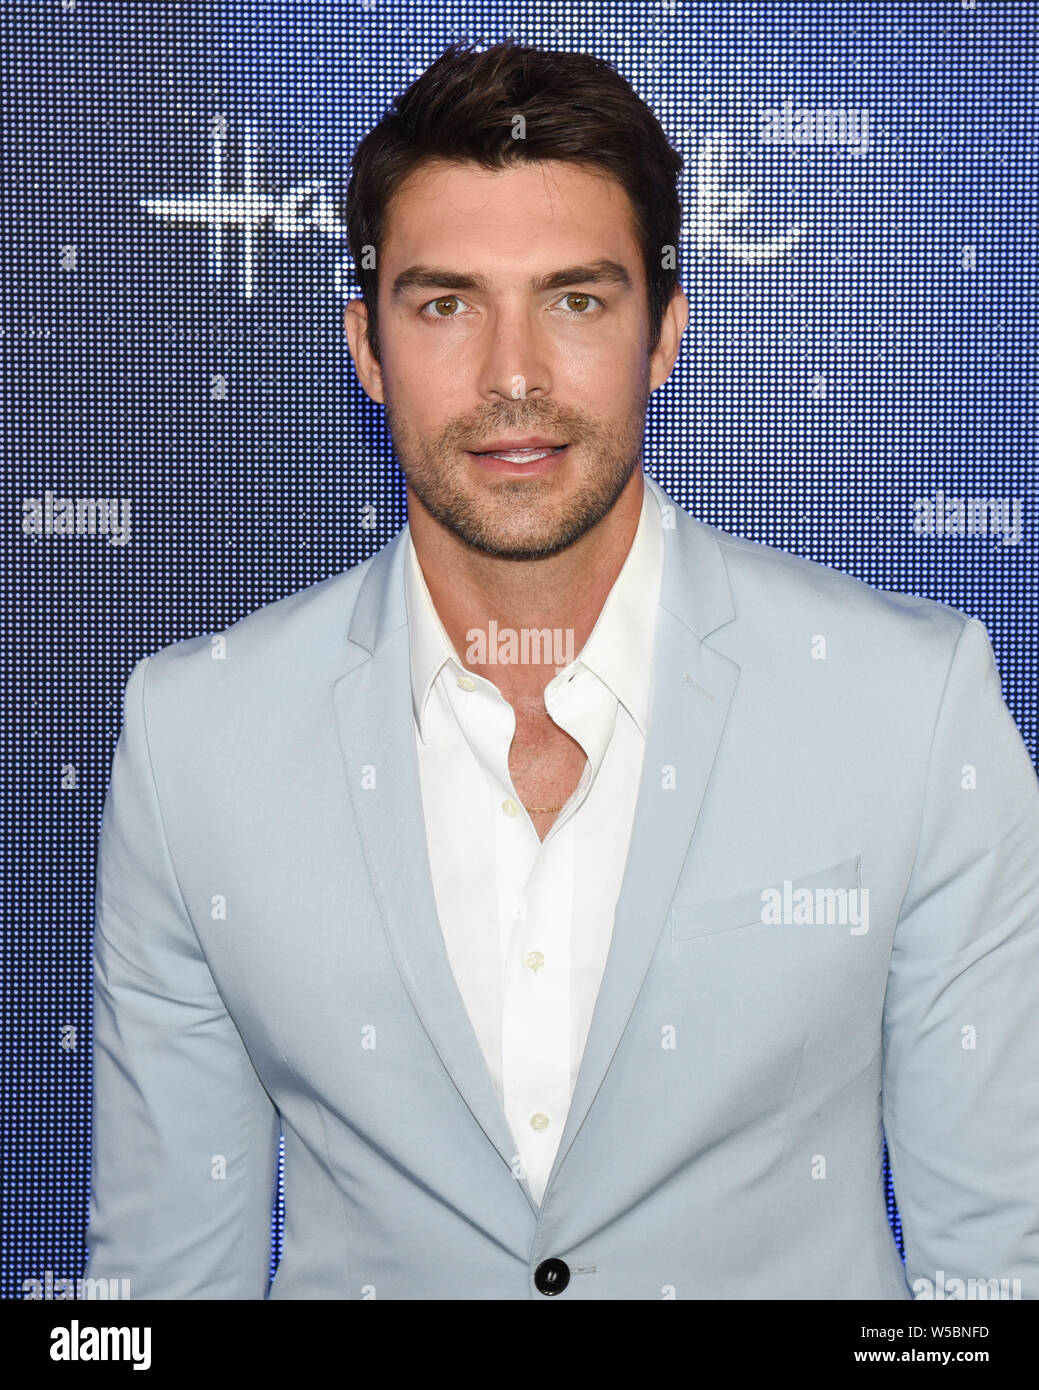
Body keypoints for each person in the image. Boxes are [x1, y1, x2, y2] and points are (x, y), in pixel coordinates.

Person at [86, 38, 1039, 1299]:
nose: (514, 375)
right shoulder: (192, 735)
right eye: (445, 304)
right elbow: (157, 1297)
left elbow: (993, 1273)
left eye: (576, 300)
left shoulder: (910, 703)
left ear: (665, 336)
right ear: (364, 348)